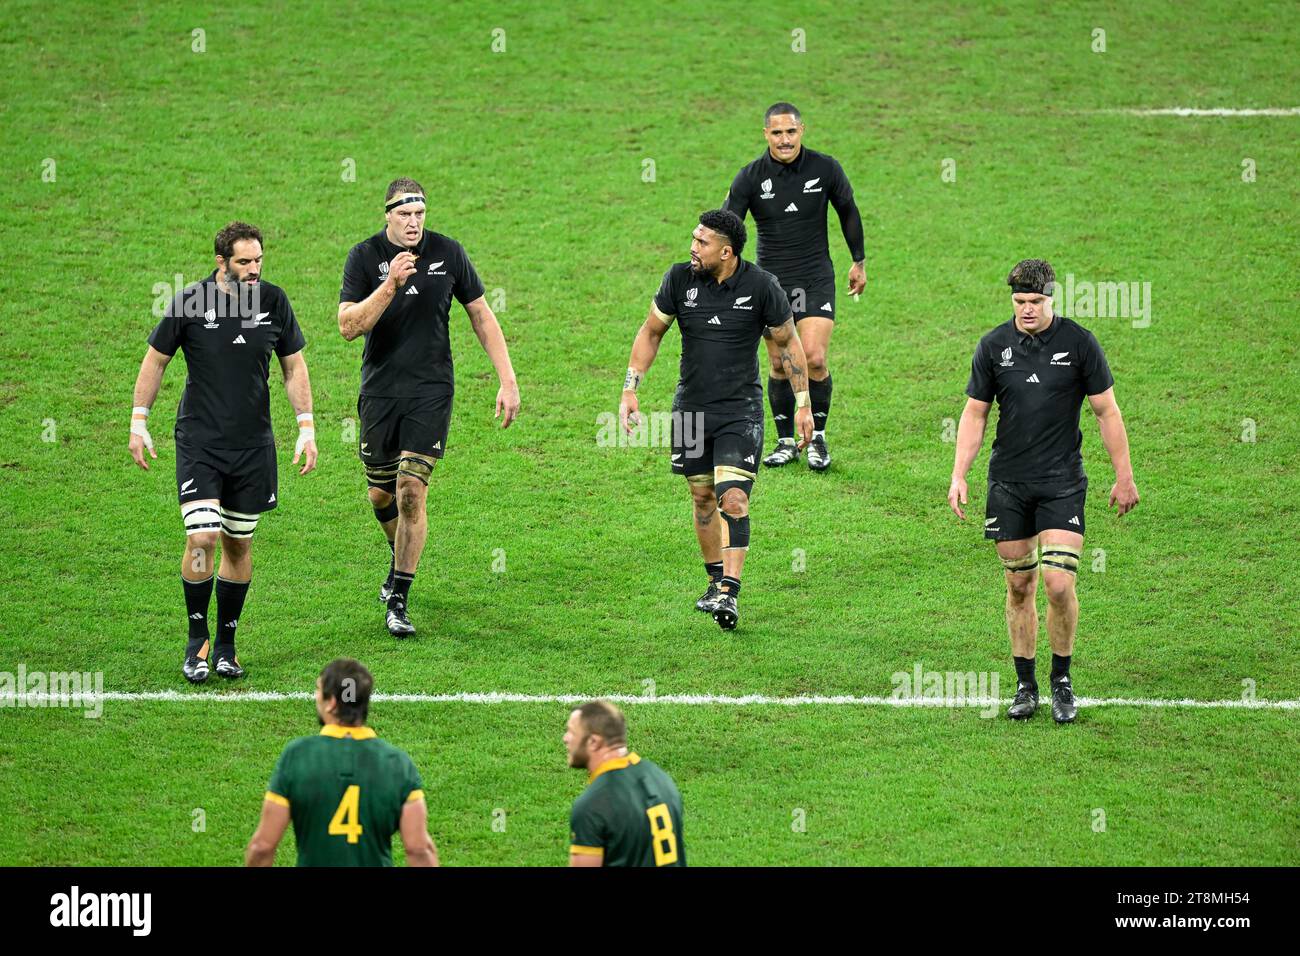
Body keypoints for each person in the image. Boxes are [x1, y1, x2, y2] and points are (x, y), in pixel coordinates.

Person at [948, 259, 1139, 722]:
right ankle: (1025, 686)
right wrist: (959, 474)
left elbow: (1106, 412)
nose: (1027, 310)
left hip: (1061, 482)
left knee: (1057, 584)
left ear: (1052, 298)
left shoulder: (1079, 344)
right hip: (1009, 483)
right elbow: (975, 414)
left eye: (1035, 302)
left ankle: (1062, 681)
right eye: (1019, 302)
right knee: (1019, 584)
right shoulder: (994, 346)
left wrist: (1124, 475)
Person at [129, 221, 317, 683]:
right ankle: (197, 642)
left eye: (258, 261)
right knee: (203, 537)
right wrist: (139, 421)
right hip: (200, 442)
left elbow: (293, 366)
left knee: (238, 542)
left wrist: (306, 428)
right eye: (244, 262)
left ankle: (227, 647)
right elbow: (156, 359)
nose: (254, 270)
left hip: (253, 446)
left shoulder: (273, 302)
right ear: (221, 262)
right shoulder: (190, 301)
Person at [338, 177, 520, 637]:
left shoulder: (448, 253)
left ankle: (399, 596)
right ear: (388, 215)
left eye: (420, 214)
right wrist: (390, 285)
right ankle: (398, 556)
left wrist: (507, 379)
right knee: (380, 494)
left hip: (431, 392)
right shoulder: (363, 258)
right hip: (379, 393)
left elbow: (480, 313)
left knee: (410, 492)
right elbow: (348, 327)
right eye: (404, 214)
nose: (414, 222)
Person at [619, 209, 812, 630]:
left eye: (701, 242)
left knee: (733, 499)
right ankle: (713, 581)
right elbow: (651, 332)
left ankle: (730, 591)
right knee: (702, 497)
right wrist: (630, 388)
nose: (692, 246)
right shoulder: (678, 279)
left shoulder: (762, 287)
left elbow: (788, 342)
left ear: (726, 252)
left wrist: (803, 403)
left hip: (739, 411)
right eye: (693, 237)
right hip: (690, 410)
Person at [724, 101, 866, 471]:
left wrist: (858, 260)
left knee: (815, 358)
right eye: (776, 133)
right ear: (765, 134)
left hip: (815, 275)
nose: (784, 140)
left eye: (790, 132)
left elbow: (848, 209)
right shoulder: (751, 177)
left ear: (802, 130)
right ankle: (786, 440)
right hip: (770, 283)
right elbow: (729, 227)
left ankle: (817, 436)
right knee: (778, 363)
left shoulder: (825, 168)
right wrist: (725, 274)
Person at [245, 658, 438, 866]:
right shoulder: (397, 763)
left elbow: (262, 846)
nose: (316, 696)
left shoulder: (297, 756)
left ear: (332, 703)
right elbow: (419, 849)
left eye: (318, 689)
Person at [564, 700, 685, 867]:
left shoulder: (593, 805)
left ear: (593, 742)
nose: (565, 738)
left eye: (571, 732)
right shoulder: (659, 777)